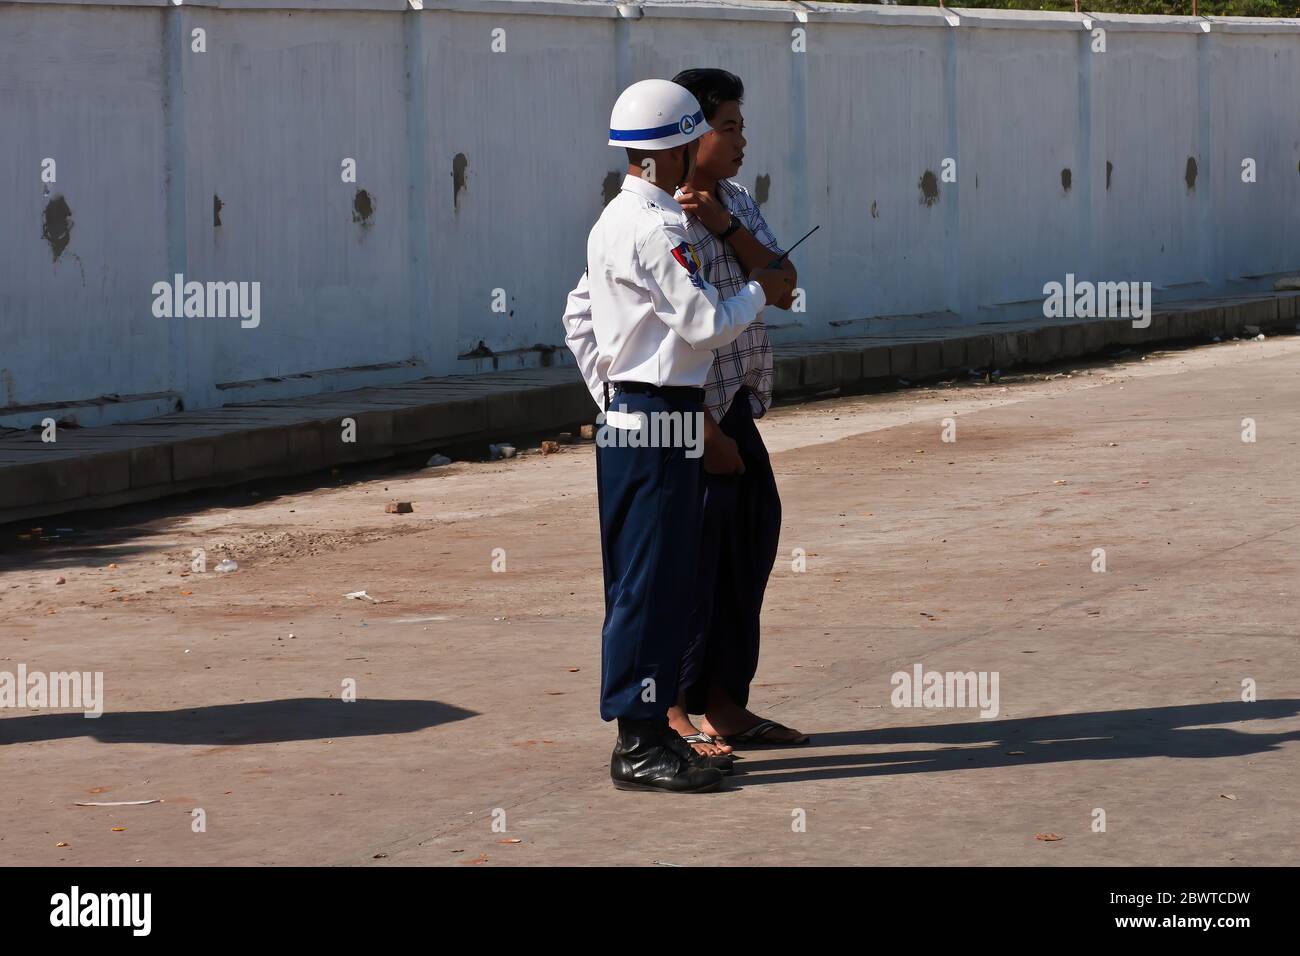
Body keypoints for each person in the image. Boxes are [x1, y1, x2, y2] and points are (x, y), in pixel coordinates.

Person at [563, 78, 792, 794]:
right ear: (679, 145)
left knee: (658, 580)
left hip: (648, 413)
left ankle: (656, 728)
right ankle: (638, 741)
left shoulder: (619, 217)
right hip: (658, 414)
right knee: (651, 583)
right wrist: (762, 289)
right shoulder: (655, 226)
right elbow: (702, 324)